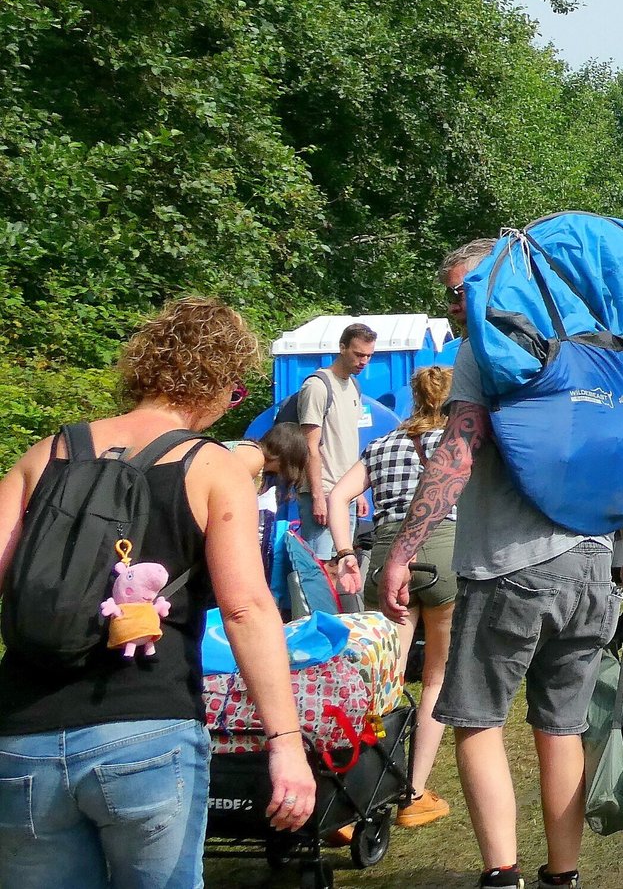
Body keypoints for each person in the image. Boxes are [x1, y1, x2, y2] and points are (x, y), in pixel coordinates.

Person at [0, 299, 316, 887]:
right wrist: (285, 742)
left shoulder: (46, 454)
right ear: (219, 385)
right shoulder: (212, 467)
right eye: (236, 394)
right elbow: (246, 608)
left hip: (22, 738)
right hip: (148, 732)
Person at [379, 238, 623, 889]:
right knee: (561, 728)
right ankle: (563, 877)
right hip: (589, 566)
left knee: (475, 720)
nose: (454, 307)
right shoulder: (594, 344)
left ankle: (502, 876)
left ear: (491, 285)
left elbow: (457, 450)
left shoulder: (483, 346)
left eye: (460, 292)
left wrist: (404, 549)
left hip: (508, 564)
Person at [359, 364, 458, 829]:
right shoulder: (457, 444)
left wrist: (342, 553)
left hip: (385, 558)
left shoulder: (380, 445)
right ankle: (413, 791)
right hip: (443, 555)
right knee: (437, 676)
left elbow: (339, 497)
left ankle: (358, 785)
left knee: (381, 678)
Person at [295, 321, 376, 589]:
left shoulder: (354, 386)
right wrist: (318, 496)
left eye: (368, 356)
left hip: (346, 496)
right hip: (324, 492)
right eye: (358, 354)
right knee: (318, 571)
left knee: (343, 566)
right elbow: (310, 446)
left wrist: (359, 491)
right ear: (342, 348)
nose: (363, 361)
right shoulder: (318, 386)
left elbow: (349, 442)